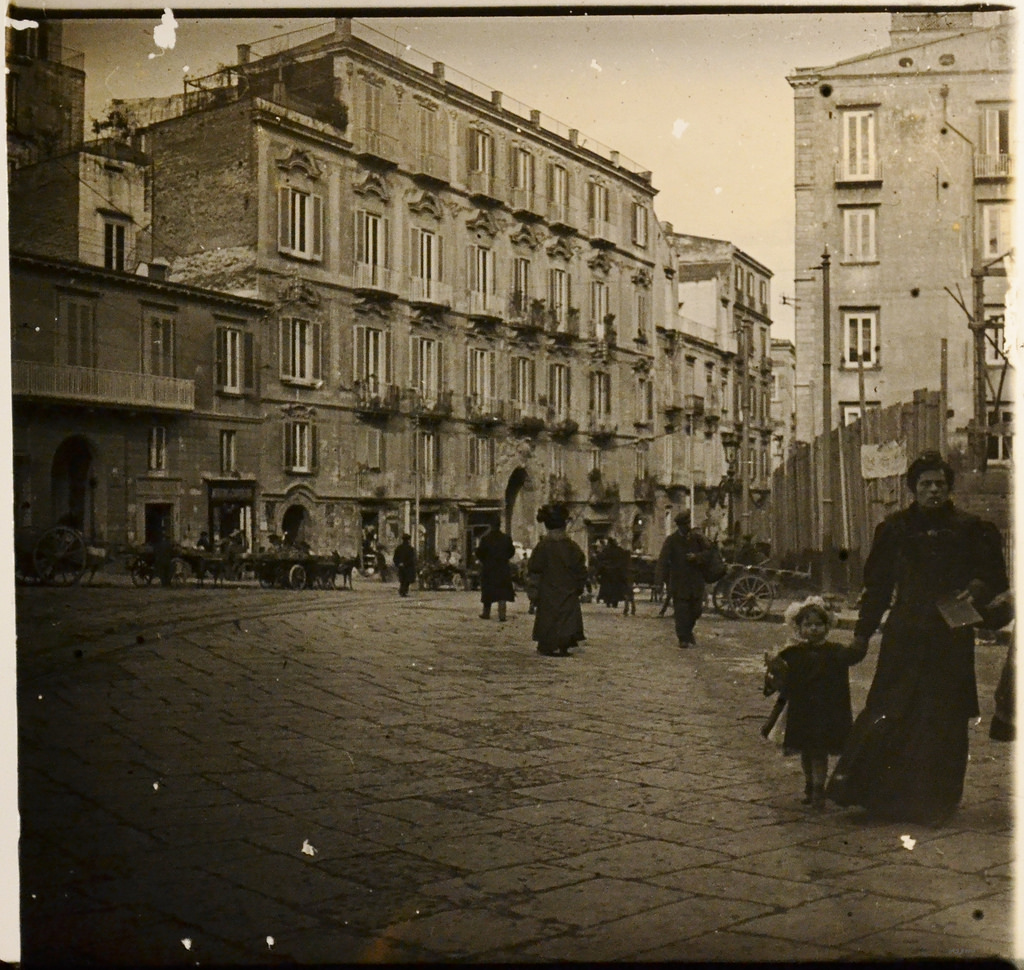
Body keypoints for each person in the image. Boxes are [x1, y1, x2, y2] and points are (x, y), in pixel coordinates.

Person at [826, 451, 1009, 825]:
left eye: (940, 484)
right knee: (892, 708)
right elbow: (877, 588)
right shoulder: (894, 529)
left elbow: (995, 577)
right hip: (905, 631)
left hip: (950, 634)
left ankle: (935, 803)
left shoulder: (972, 528)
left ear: (948, 488)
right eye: (925, 484)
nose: (933, 491)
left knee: (944, 717)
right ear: (913, 489)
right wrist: (862, 635)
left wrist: (976, 585)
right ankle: (883, 797)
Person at [762, 597, 868, 810]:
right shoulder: (792, 653)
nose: (813, 629)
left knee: (819, 751)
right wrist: (774, 666)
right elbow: (780, 679)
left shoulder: (835, 651)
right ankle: (810, 785)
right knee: (805, 750)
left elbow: (852, 656)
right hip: (802, 711)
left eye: (818, 625)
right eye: (808, 625)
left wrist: (861, 640)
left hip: (826, 711)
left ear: (827, 626)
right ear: (799, 627)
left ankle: (819, 789)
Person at [527, 503, 587, 657]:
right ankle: (564, 645)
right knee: (567, 619)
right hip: (568, 591)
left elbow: (534, 569)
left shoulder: (542, 546)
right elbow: (581, 570)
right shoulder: (572, 547)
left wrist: (533, 593)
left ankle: (549, 644)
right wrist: (578, 587)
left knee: (548, 619)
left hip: (548, 591)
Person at [655, 510, 713, 648]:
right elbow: (662, 561)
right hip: (679, 582)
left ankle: (688, 631)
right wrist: (658, 582)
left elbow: (709, 553)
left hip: (696, 582)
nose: (688, 526)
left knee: (696, 611)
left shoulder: (697, 539)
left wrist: (697, 557)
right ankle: (683, 638)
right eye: (685, 524)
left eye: (688, 523)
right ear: (679, 526)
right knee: (681, 612)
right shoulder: (671, 541)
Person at [476, 524, 516, 621]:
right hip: (503, 568)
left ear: (491, 526)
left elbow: (479, 553)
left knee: (487, 591)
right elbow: (511, 551)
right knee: (502, 592)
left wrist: (484, 561)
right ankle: (502, 614)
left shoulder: (485, 539)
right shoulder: (506, 538)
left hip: (489, 568)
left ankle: (486, 612)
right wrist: (505, 558)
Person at [599, 536, 632, 613]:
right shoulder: (619, 550)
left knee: (608, 587)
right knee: (616, 588)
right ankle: (614, 601)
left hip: (608, 572)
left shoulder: (606, 550)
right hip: (617, 572)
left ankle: (608, 600)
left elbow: (601, 558)